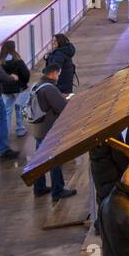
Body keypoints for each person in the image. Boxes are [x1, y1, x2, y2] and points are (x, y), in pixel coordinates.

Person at [28, 62, 78, 202]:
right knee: (54, 158)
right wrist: (68, 99)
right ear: (54, 73)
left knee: (40, 159)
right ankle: (58, 190)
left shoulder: (37, 85)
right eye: (58, 74)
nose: (58, 76)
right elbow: (62, 107)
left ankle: (39, 187)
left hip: (39, 128)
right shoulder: (49, 88)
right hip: (49, 129)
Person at [89, 139, 129, 234]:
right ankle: (109, 227)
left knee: (103, 198)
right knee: (116, 201)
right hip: (112, 174)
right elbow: (119, 156)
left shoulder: (92, 136)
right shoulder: (113, 134)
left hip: (99, 172)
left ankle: (101, 225)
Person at [0, 39, 31, 139]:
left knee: (7, 111)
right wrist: (23, 83)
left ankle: (6, 133)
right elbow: (26, 74)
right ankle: (20, 129)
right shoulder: (17, 60)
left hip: (5, 90)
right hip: (18, 88)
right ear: (13, 48)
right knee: (19, 108)